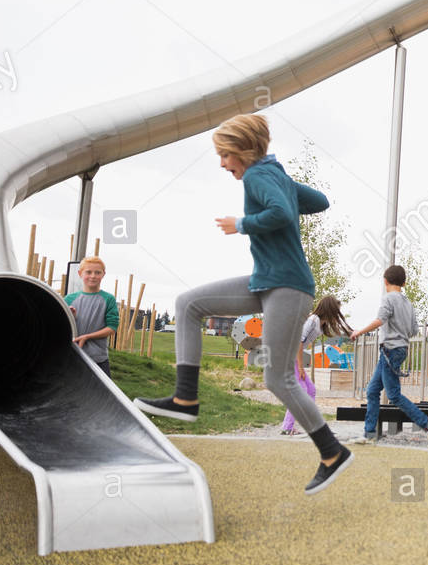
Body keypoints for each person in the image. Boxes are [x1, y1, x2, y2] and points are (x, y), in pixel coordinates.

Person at [133, 113, 352, 496]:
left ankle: (332, 453)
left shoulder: (255, 175)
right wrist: (285, 184)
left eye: (225, 156)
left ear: (242, 150)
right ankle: (185, 397)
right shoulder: (271, 173)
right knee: (188, 303)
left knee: (277, 378)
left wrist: (243, 222)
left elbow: (283, 213)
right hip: (265, 282)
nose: (222, 164)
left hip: (286, 285)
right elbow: (318, 202)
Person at [349, 266, 428, 444]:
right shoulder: (408, 304)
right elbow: (413, 331)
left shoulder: (388, 299)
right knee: (372, 391)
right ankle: (369, 434)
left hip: (390, 349)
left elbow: (379, 320)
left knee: (394, 395)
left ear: (385, 281)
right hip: (399, 350)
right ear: (404, 282)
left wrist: (359, 332)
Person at [281, 296, 355, 435]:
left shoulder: (321, 323)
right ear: (330, 309)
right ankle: (287, 427)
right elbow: (298, 341)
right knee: (301, 391)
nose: (337, 314)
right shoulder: (313, 320)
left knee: (311, 390)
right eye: (336, 310)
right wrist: (301, 367)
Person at [65, 255, 120, 376]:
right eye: (88, 272)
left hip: (98, 358)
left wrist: (87, 337)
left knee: (103, 394)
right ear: (80, 273)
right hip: (73, 356)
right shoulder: (69, 299)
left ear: (103, 274)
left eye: (97, 272)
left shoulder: (108, 299)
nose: (93, 276)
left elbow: (112, 328)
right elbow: (61, 325)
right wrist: (71, 316)